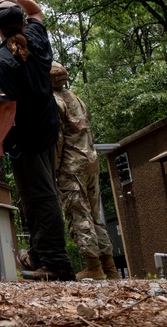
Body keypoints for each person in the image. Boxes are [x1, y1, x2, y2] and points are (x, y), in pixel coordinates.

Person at [0, 0, 73, 281]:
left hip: (28, 138)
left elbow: (8, 109)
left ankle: (55, 263)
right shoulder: (34, 38)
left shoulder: (2, 60)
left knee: (41, 197)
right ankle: (38, 255)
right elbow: (37, 10)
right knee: (33, 197)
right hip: (47, 130)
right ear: (21, 22)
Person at [51, 62, 118, 280]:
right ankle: (110, 268)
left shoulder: (54, 101)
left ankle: (93, 267)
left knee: (79, 215)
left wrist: (53, 168)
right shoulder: (75, 98)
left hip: (72, 167)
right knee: (95, 215)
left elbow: (58, 139)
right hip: (91, 163)